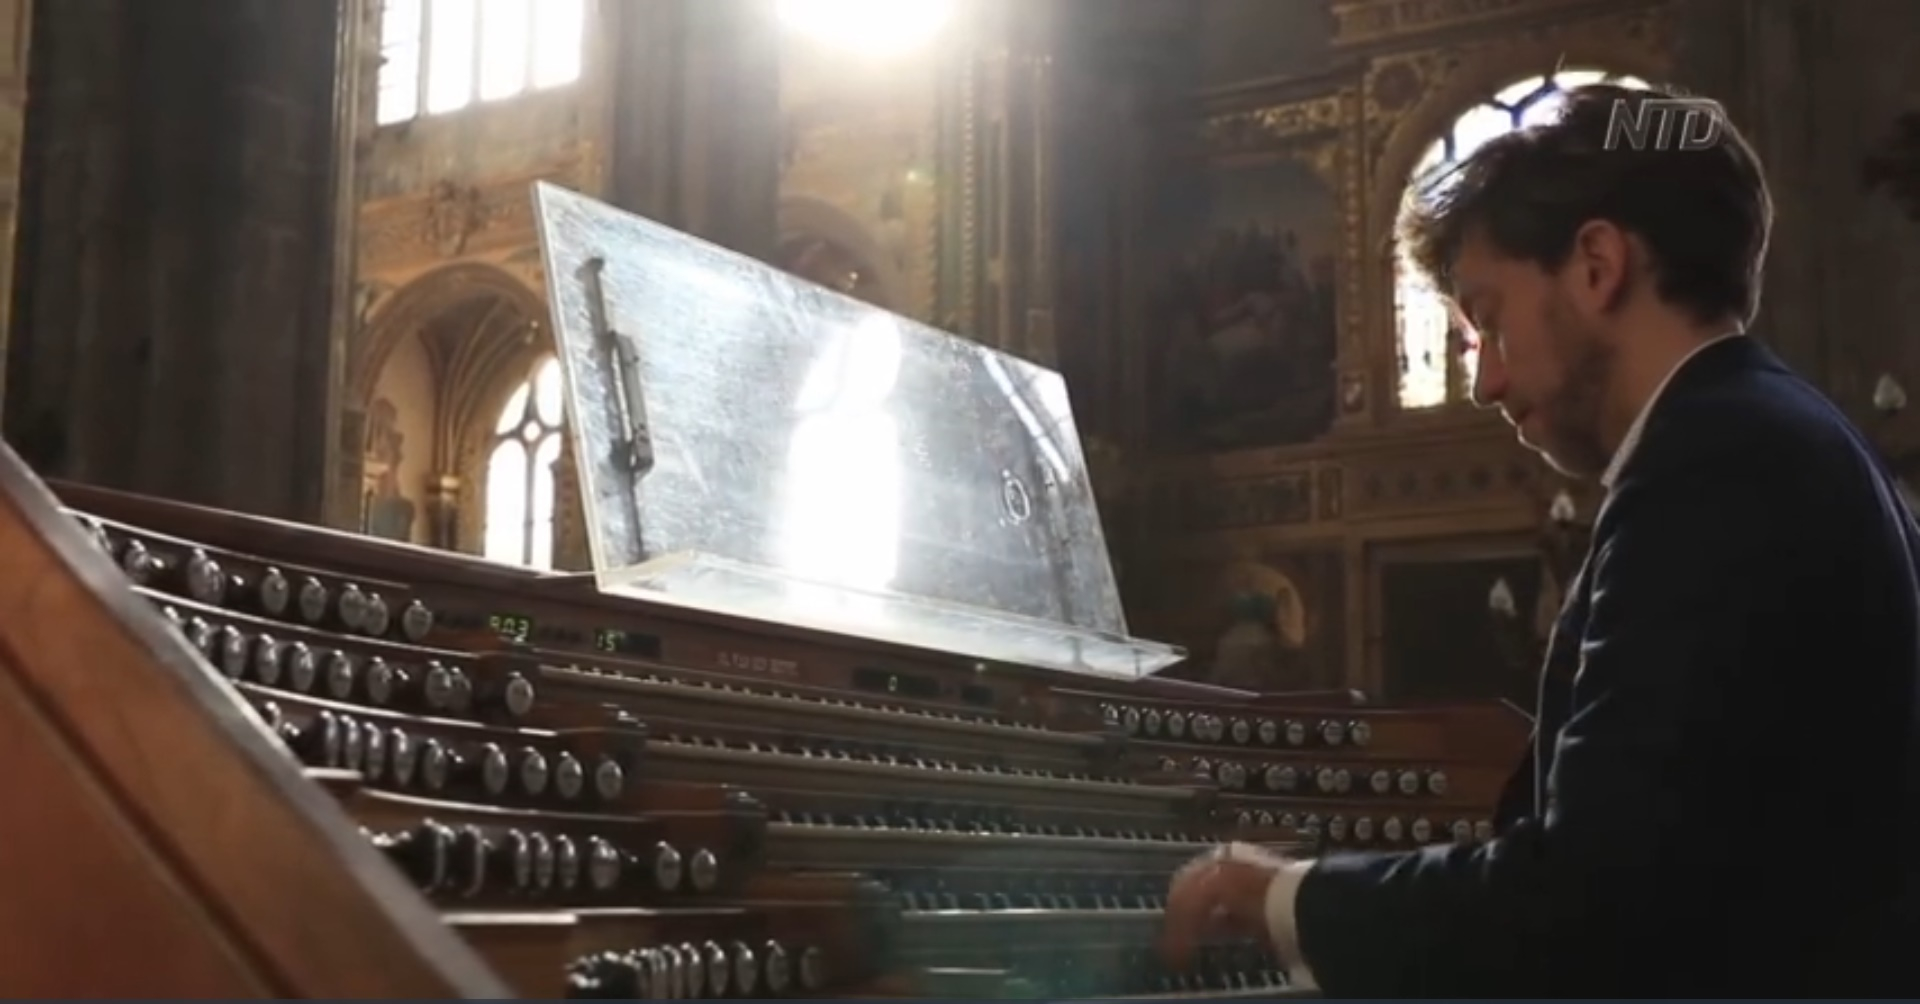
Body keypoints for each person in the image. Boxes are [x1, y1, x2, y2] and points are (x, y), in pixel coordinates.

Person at [1161, 82, 1920, 997]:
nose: (1482, 380)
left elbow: (1596, 893)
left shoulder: (1717, 460)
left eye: (1488, 320)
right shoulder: (1769, 430)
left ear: (1598, 265)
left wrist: (1287, 898)